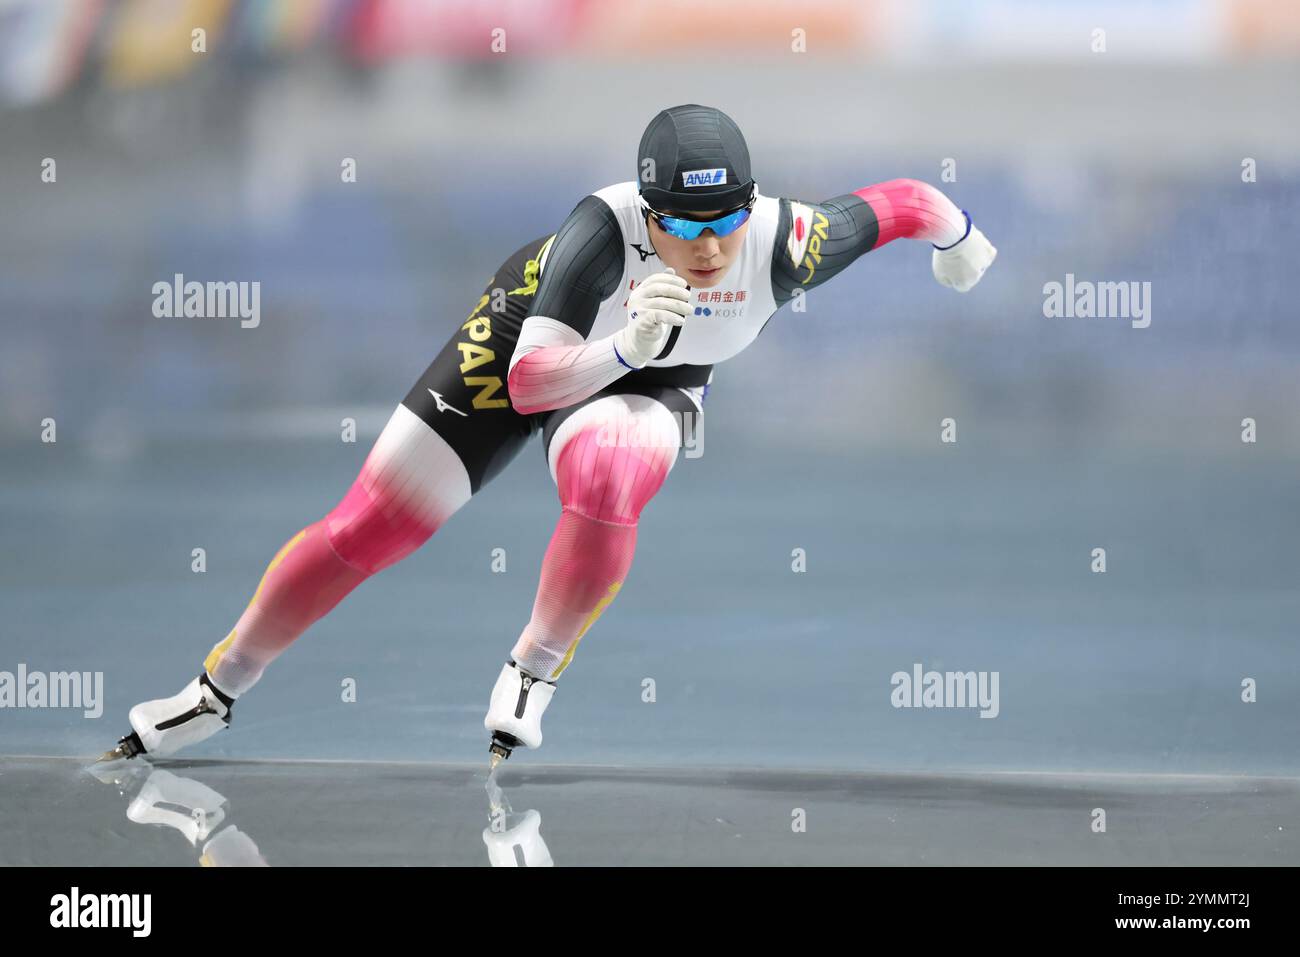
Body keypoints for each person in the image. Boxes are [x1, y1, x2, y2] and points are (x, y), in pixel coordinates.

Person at [102, 104, 997, 767]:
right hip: (536, 337)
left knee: (609, 471)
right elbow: (531, 384)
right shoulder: (598, 235)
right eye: (685, 227)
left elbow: (910, 202)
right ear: (649, 215)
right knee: (372, 527)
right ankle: (218, 688)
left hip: (655, 376)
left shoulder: (788, 241)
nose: (711, 248)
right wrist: (626, 342)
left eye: (725, 220)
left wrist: (960, 241)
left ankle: (535, 664)